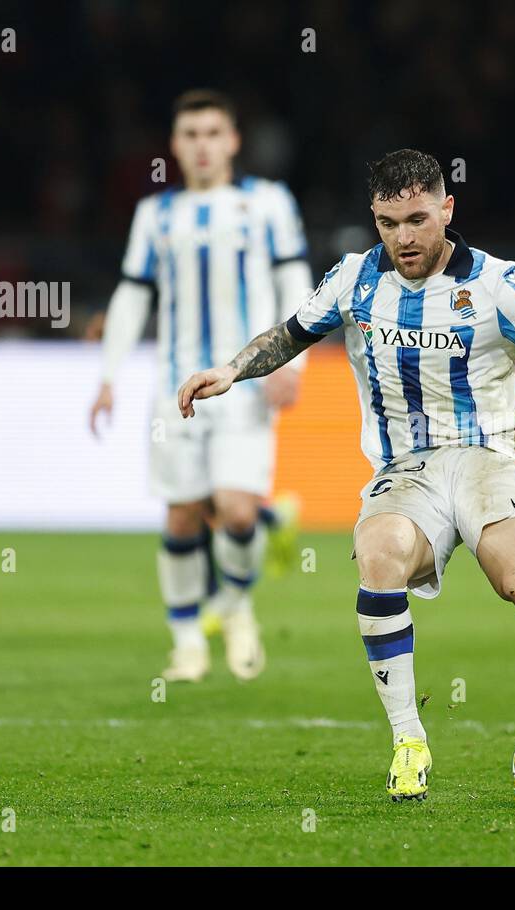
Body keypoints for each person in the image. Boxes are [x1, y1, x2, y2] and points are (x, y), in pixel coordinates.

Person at [176, 149, 515, 799]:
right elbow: (290, 333)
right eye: (389, 223)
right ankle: (409, 741)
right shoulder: (356, 280)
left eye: (418, 219)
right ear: (375, 218)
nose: (405, 237)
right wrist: (232, 370)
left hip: (485, 456)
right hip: (405, 469)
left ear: (448, 209)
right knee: (378, 553)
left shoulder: (497, 283)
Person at [90, 90, 311, 682]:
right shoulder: (155, 215)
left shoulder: (267, 203)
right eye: (190, 134)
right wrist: (108, 376)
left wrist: (293, 364)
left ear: (234, 140)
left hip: (244, 379)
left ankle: (236, 605)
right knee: (184, 515)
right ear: (174, 145)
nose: (202, 145)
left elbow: (295, 278)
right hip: (174, 387)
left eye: (213, 133)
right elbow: (134, 293)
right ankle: (187, 643)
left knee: (236, 512)